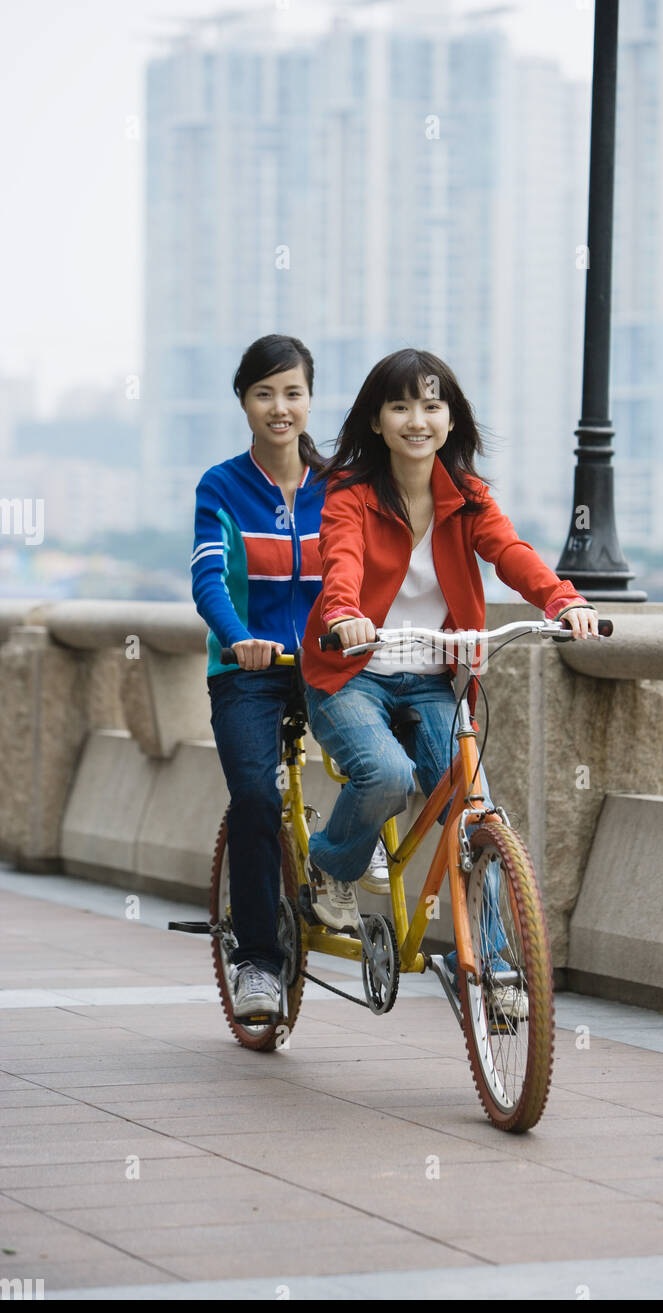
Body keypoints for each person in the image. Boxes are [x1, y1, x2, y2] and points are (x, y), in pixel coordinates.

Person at [299, 348, 598, 999]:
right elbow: (340, 559)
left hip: (434, 682)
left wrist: (561, 600)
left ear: (450, 418)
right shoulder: (349, 493)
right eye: (400, 405)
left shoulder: (467, 497)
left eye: (431, 404)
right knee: (386, 774)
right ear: (375, 421)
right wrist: (345, 612)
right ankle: (328, 867)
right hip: (351, 675)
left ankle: (490, 968)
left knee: (473, 815)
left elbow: (510, 552)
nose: (417, 419)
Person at [191, 334, 389, 1020]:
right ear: (243, 401)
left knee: (382, 756)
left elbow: (361, 569)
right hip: (249, 669)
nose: (280, 407)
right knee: (253, 798)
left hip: (327, 661)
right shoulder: (221, 485)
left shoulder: (340, 485)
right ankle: (257, 964)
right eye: (264, 393)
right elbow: (208, 575)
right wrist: (238, 637)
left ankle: (344, 853)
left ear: (310, 400)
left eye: (293, 392)